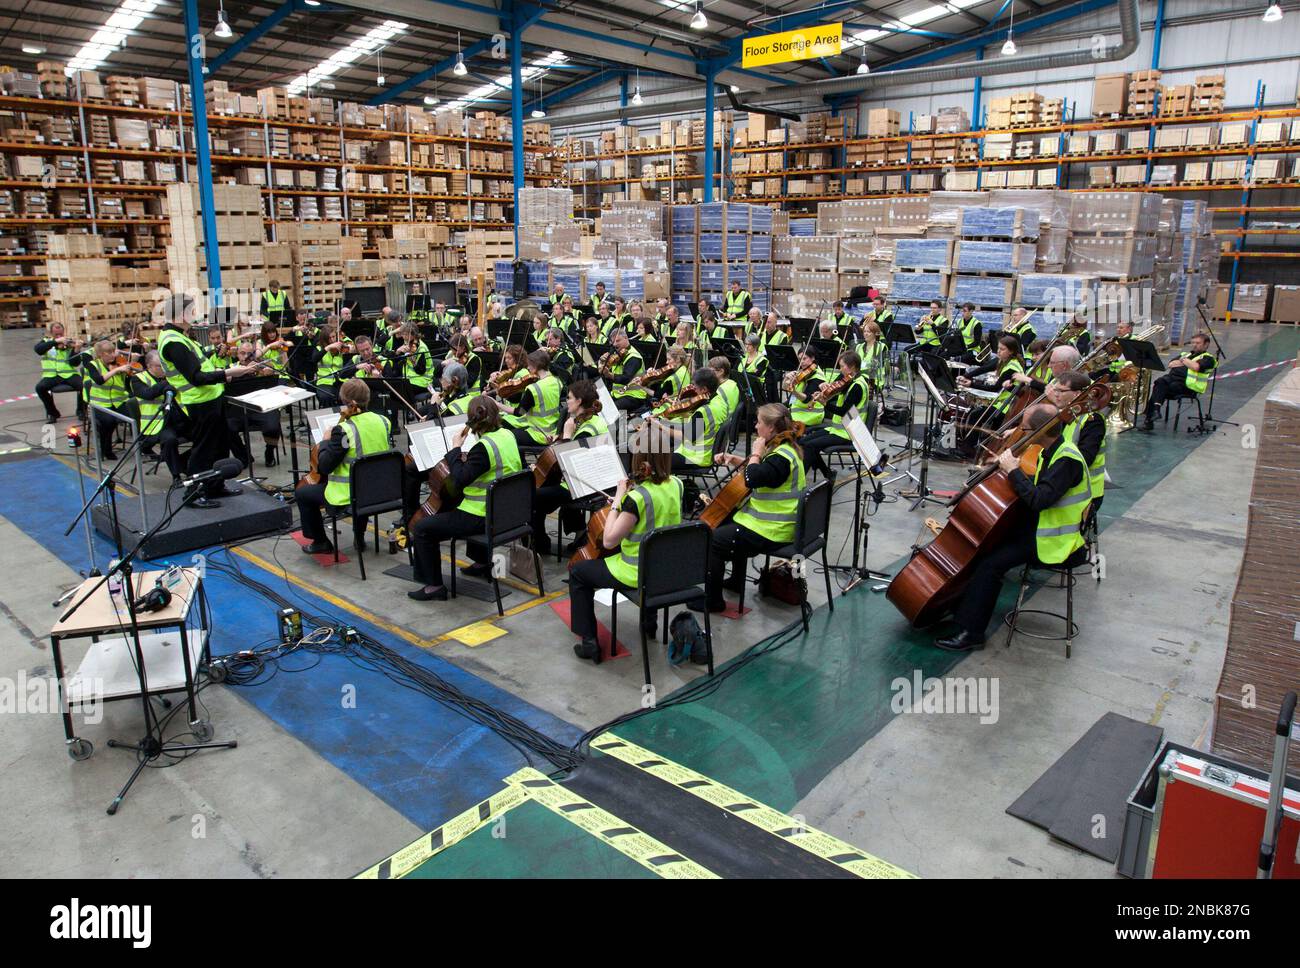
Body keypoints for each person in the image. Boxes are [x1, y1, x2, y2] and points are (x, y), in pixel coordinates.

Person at [934, 404, 1092, 652]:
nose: (1022, 432)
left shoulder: (1067, 459)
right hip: (1039, 528)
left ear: (1042, 430)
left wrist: (1013, 471)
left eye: (1026, 429)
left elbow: (1040, 500)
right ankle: (959, 608)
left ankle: (972, 633)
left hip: (1053, 541)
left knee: (990, 564)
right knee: (984, 546)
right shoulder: (1050, 450)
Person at [567, 440, 683, 663]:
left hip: (635, 571)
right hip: (665, 569)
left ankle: (589, 643)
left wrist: (618, 500)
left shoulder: (636, 498)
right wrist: (624, 503)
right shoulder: (677, 484)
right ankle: (649, 622)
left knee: (578, 573)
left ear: (643, 463)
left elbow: (609, 540)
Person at [407, 395, 523, 601]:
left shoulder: (483, 448)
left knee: (423, 528)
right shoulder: (508, 434)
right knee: (455, 502)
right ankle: (481, 562)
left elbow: (459, 479)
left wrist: (455, 449)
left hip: (483, 515)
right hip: (508, 511)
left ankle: (433, 586)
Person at [156, 294, 259, 507]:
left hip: (213, 398)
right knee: (204, 450)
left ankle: (215, 486)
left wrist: (222, 369)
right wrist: (229, 372)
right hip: (200, 403)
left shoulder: (181, 336)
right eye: (192, 311)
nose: (195, 315)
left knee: (220, 446)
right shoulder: (172, 342)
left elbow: (201, 363)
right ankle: (194, 493)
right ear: (182, 314)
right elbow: (196, 377)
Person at [703, 403, 807, 612]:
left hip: (772, 530)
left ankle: (713, 602)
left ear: (771, 428)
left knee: (713, 540)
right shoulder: (784, 449)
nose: (755, 425)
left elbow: (752, 478)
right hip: (771, 523)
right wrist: (737, 460)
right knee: (730, 519)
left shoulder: (780, 456)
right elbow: (768, 472)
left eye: (759, 422)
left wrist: (756, 453)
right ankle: (735, 581)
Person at [294, 378, 393, 555]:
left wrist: (325, 441)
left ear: (348, 402)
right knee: (363, 477)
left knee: (302, 493)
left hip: (350, 494)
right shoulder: (384, 421)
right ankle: (359, 536)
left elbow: (324, 466)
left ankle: (320, 541)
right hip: (380, 489)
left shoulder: (344, 430)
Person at [530, 379, 608, 554]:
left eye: (570, 397)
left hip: (581, 485)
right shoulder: (593, 421)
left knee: (532, 494)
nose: (567, 401)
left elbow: (570, 462)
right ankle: (576, 533)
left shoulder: (587, 430)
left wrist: (566, 436)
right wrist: (560, 439)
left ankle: (540, 542)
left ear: (579, 401)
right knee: (543, 489)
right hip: (588, 479)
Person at [800, 351, 869, 482]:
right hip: (837, 429)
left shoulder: (858, 386)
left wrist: (824, 403)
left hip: (848, 433)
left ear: (852, 367)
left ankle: (801, 479)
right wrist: (825, 389)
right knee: (802, 442)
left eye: (842, 366)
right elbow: (836, 391)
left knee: (810, 446)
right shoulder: (849, 380)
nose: (840, 369)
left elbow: (843, 411)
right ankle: (828, 473)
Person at [956, 335, 1026, 453]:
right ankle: (968, 445)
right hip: (1000, 403)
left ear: (1011, 351)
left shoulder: (1012, 367)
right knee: (974, 413)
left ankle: (968, 450)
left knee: (975, 415)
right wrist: (966, 376)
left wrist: (971, 384)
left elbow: (995, 388)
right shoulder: (1003, 360)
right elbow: (984, 368)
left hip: (1006, 407)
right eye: (998, 348)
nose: (998, 351)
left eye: (1002, 349)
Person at [1140, 331, 1216, 430]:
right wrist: (1188, 362)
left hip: (1187, 386)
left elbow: (1196, 367)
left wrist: (1183, 360)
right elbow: (1171, 364)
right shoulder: (1186, 354)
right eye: (1193, 343)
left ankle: (1150, 419)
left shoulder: (1208, 358)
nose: (1194, 345)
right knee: (1160, 382)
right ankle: (1156, 411)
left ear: (1206, 344)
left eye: (1198, 343)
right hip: (1171, 381)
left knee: (1160, 386)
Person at [226, 340, 284, 467]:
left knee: (273, 427)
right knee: (226, 427)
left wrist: (269, 373)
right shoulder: (231, 368)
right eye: (242, 353)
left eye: (249, 353)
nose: (246, 356)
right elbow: (225, 379)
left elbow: (277, 375)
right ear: (237, 355)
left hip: (261, 407)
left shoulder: (261, 366)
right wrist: (243, 371)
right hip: (239, 409)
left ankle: (269, 451)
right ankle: (243, 457)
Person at [129, 351, 183, 482]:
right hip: (156, 423)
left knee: (205, 431)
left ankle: (189, 466)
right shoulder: (137, 379)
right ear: (149, 366)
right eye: (159, 366)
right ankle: (176, 476)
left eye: (164, 365)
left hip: (177, 419)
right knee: (170, 440)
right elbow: (148, 393)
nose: (164, 369)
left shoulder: (170, 376)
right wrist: (167, 381)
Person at [81, 339, 136, 460]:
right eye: (109, 352)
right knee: (109, 421)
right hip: (100, 403)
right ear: (100, 354)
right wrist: (116, 370)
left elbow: (127, 382)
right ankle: (106, 449)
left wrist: (132, 364)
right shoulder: (92, 365)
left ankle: (143, 447)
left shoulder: (119, 362)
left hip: (119, 400)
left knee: (136, 416)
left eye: (113, 351)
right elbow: (99, 380)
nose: (113, 354)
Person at [501, 349, 563, 448]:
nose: (528, 367)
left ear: (536, 365)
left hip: (538, 433)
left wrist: (496, 404)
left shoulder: (533, 389)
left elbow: (519, 413)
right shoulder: (557, 381)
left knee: (504, 436)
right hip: (553, 430)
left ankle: (521, 463)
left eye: (529, 365)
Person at [34, 322, 86, 423]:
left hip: (69, 374)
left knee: (84, 386)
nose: (59, 336)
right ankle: (53, 413)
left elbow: (75, 363)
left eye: (60, 334)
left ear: (63, 331)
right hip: (51, 375)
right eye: (56, 334)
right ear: (51, 333)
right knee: (40, 388)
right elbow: (38, 350)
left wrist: (76, 350)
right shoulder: (46, 342)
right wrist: (55, 341)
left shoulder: (69, 342)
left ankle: (81, 411)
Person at [601, 328, 648, 413]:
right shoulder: (616, 354)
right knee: (599, 405)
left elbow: (626, 378)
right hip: (619, 393)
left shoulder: (634, 356)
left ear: (626, 338)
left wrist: (609, 375)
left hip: (634, 395)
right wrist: (602, 362)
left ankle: (620, 426)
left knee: (611, 410)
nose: (615, 344)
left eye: (618, 341)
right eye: (613, 341)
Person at [785, 347, 826, 428]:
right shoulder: (802, 371)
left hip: (810, 415)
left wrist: (794, 391)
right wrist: (786, 378)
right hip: (796, 410)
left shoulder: (818, 377)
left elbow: (806, 399)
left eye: (804, 359)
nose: (801, 362)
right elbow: (784, 387)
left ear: (813, 358)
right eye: (800, 359)